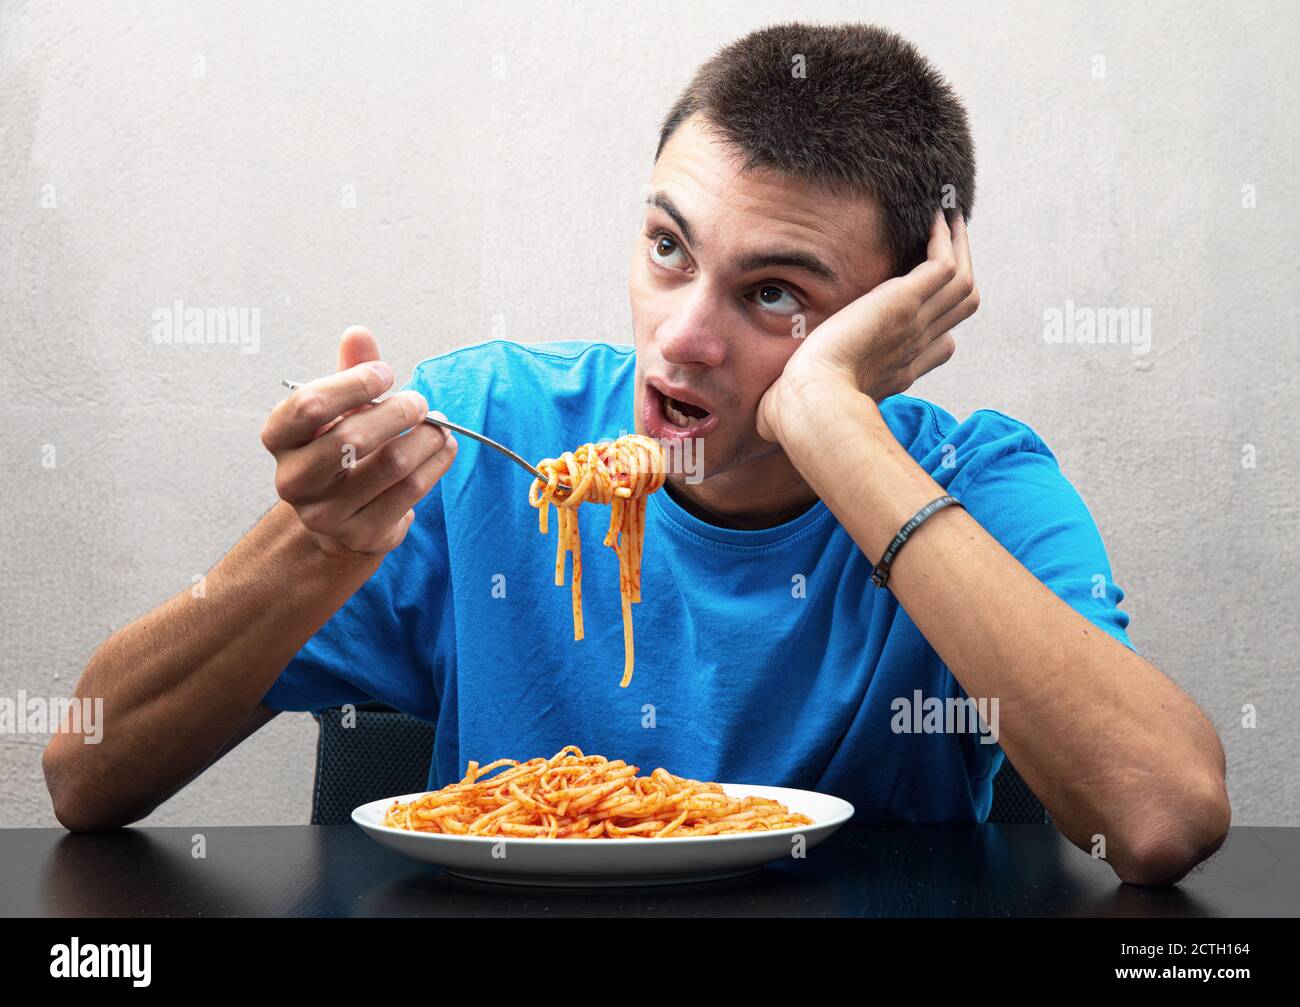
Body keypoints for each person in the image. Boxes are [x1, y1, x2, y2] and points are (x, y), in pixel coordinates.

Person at [43, 22, 1229, 885]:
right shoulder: (476, 434)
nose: (683, 338)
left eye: (775, 293)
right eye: (668, 248)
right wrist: (313, 543)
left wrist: (831, 423)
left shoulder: (971, 481)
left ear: (895, 318)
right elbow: (86, 773)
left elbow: (1163, 813)